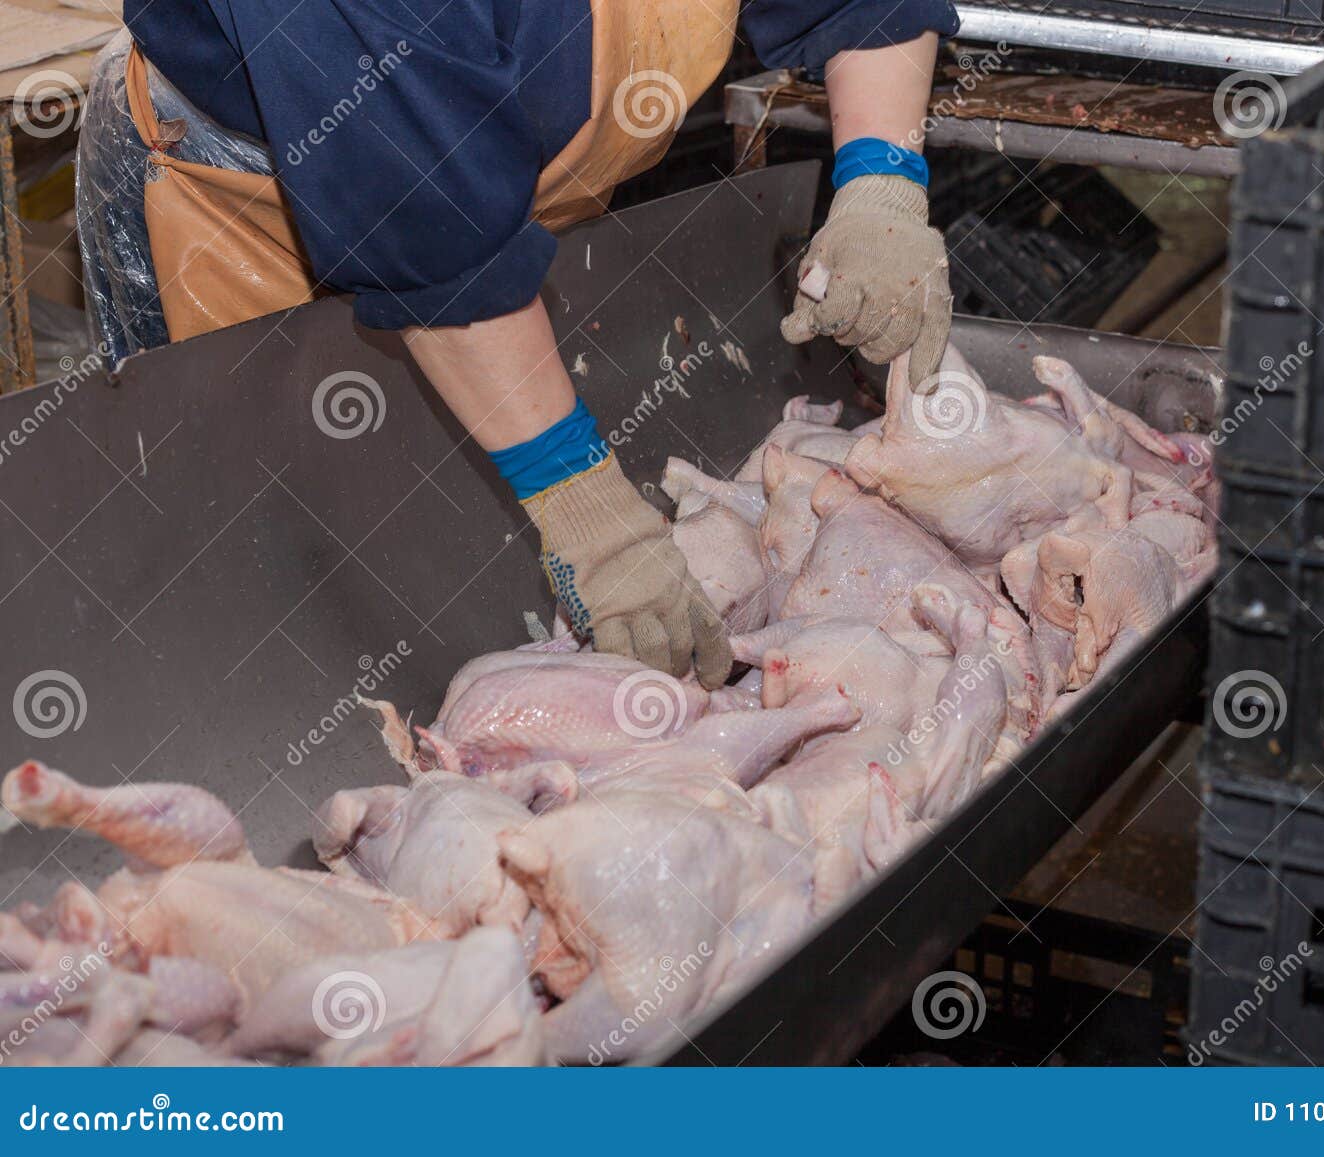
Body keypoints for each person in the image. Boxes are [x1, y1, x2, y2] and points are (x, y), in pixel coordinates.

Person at [77, 1, 960, 688]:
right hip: (255, 203)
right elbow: (429, 215)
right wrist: (591, 518)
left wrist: (882, 178)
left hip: (494, 214)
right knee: (292, 612)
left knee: (470, 574)